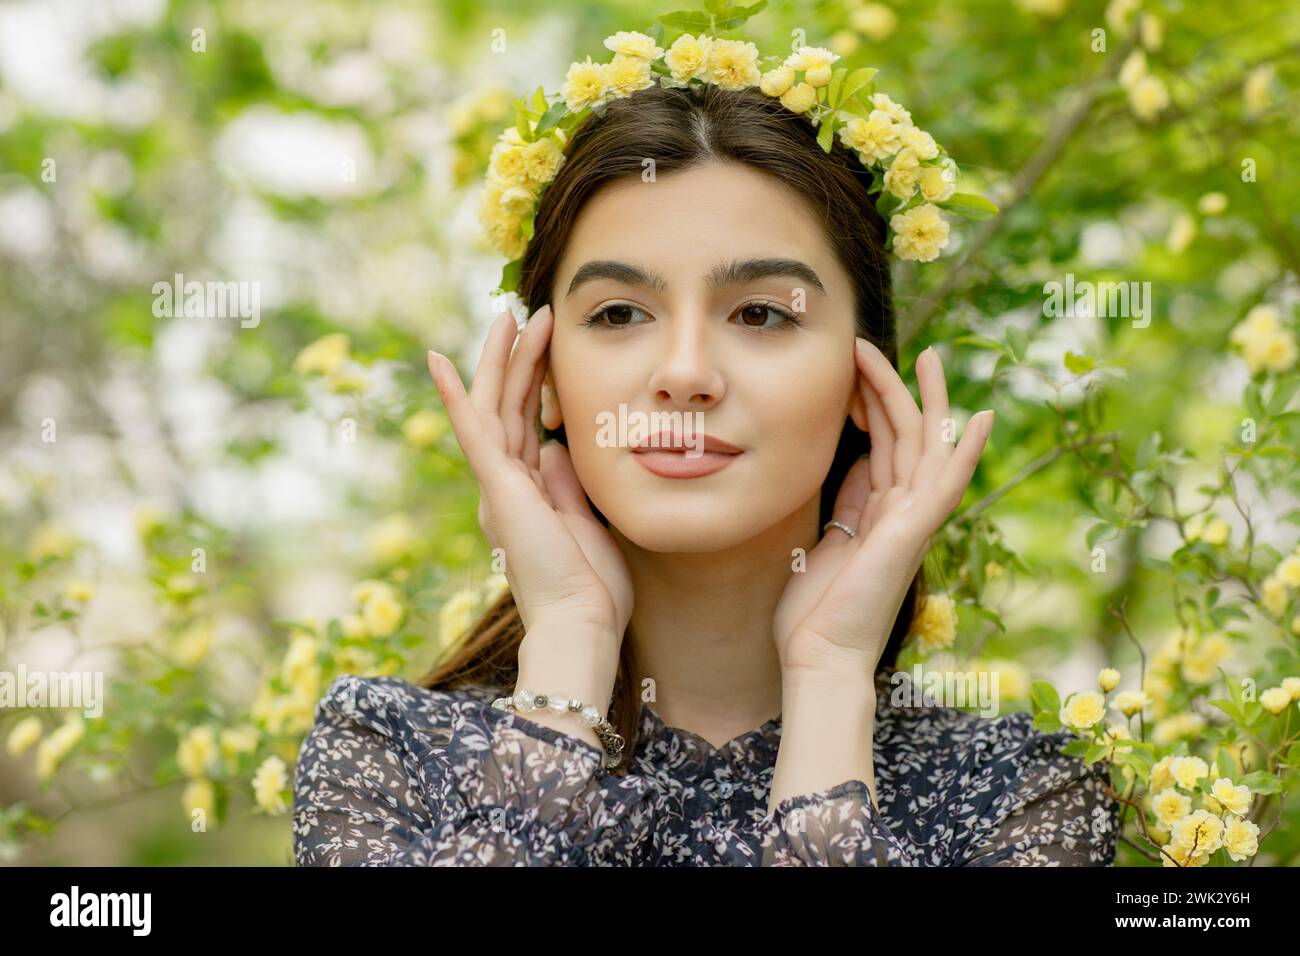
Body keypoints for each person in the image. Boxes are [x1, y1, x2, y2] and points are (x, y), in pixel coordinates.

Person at [292, 37, 1119, 866]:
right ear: (539, 377)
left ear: (866, 385)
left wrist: (830, 682)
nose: (684, 374)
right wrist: (568, 658)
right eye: (618, 314)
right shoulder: (388, 753)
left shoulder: (1021, 791)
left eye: (761, 314)